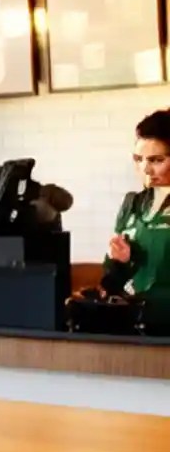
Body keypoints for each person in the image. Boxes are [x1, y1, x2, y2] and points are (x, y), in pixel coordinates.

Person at [102, 109, 170, 333]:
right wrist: (119, 262)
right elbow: (112, 281)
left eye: (157, 160)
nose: (145, 169)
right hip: (133, 325)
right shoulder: (133, 203)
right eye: (138, 159)